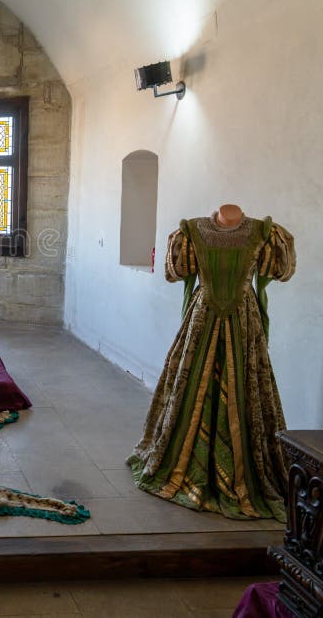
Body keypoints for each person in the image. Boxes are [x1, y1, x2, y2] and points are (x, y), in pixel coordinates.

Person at [127, 204, 295, 521]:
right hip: (203, 316)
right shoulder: (192, 231)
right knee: (191, 386)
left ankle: (240, 470)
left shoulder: (265, 232)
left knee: (246, 387)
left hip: (244, 322)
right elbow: (175, 271)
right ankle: (188, 464)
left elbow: (280, 272)